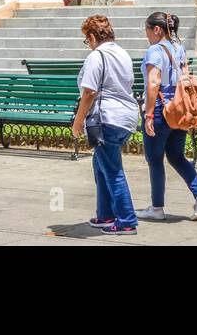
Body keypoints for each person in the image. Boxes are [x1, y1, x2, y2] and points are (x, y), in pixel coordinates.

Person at [137, 11, 197, 222]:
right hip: (180, 111)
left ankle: (157, 208)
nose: (146, 35)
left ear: (157, 29)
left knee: (154, 159)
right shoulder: (179, 48)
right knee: (176, 156)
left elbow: (153, 83)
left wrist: (149, 114)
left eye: (147, 30)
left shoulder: (155, 50)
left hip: (161, 110)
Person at [70, 14, 140, 235]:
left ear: (92, 36)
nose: (87, 44)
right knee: (101, 165)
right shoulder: (123, 53)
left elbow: (90, 91)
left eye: (86, 39)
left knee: (111, 170)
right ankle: (105, 214)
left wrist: (78, 121)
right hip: (126, 117)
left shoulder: (96, 55)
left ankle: (127, 220)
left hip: (106, 118)